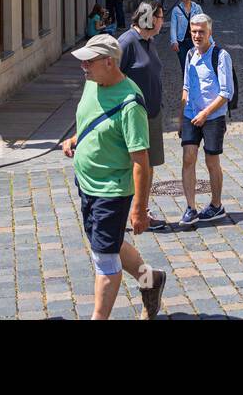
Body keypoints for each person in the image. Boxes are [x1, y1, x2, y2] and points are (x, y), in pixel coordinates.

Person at [61, 34, 167, 321]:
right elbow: (89, 120)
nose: (84, 66)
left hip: (112, 191)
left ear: (109, 62)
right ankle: (152, 280)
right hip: (86, 185)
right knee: (110, 243)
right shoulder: (93, 83)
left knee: (104, 258)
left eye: (89, 61)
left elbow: (141, 162)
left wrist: (139, 209)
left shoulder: (130, 102)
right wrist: (75, 138)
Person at [119, 2, 170, 233]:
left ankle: (143, 210)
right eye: (160, 16)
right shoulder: (127, 43)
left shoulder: (149, 42)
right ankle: (128, 213)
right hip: (134, 118)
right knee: (135, 166)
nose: (162, 20)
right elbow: (112, 78)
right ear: (149, 18)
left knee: (148, 166)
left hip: (152, 113)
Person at [178, 14, 233, 227]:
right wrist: (181, 115)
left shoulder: (220, 56)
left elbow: (226, 92)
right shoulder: (190, 54)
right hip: (192, 115)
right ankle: (190, 208)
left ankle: (216, 205)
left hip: (213, 118)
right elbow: (185, 87)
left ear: (210, 32)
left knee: (212, 162)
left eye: (201, 31)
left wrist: (206, 113)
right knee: (188, 157)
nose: (197, 35)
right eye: (194, 32)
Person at [169, 0, 203, 74]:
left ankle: (196, 87)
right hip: (182, 42)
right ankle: (186, 87)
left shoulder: (197, 8)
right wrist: (174, 41)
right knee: (185, 67)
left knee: (196, 65)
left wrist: (210, 41)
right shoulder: (176, 10)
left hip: (195, 41)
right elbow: (173, 27)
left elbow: (203, 25)